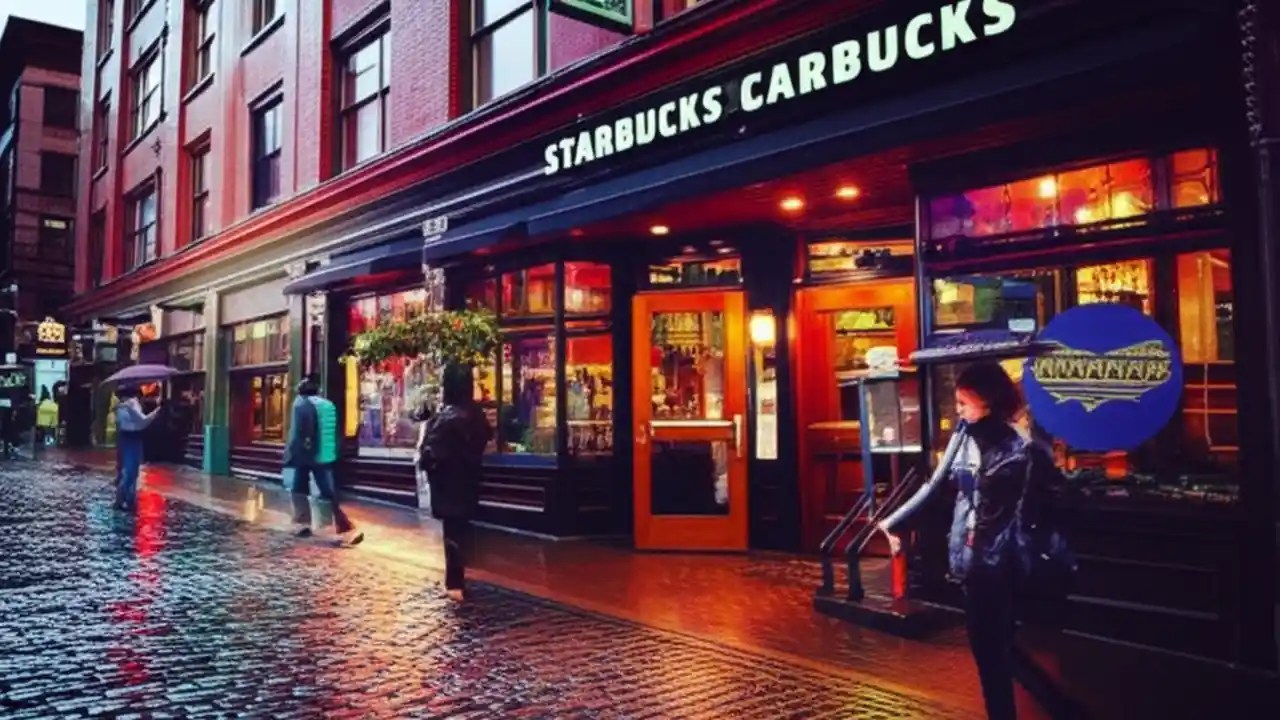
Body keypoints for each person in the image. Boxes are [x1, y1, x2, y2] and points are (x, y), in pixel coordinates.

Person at [878, 361, 1083, 720]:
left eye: (963, 402)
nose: (957, 410)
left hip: (998, 563)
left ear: (987, 401)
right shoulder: (966, 436)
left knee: (992, 653)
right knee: (998, 650)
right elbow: (935, 484)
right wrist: (894, 521)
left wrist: (977, 565)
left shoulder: (1017, 450)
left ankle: (1030, 712)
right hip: (972, 559)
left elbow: (1005, 516)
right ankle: (1062, 709)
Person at [419, 364, 493, 601]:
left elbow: (431, 454)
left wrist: (427, 461)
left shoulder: (444, 418)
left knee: (452, 531)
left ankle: (455, 582)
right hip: (470, 479)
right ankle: (461, 578)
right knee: (463, 527)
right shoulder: (476, 415)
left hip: (448, 483)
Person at [284, 378, 362, 547]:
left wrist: (290, 455)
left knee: (298, 488)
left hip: (305, 454)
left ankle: (302, 523)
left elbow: (298, 433)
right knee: (328, 492)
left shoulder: (300, 404)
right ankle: (344, 526)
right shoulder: (328, 405)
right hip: (326, 455)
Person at [114, 386, 161, 512]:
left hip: (125, 438)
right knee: (131, 472)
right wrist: (156, 411)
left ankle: (128, 499)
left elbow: (120, 426)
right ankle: (123, 499)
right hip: (134, 438)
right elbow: (142, 421)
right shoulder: (131, 404)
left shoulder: (120, 407)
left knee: (128, 470)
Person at [35, 387, 58, 454]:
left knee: (42, 442)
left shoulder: (40, 405)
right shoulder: (54, 405)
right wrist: (54, 424)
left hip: (42, 425)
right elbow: (55, 416)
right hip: (50, 425)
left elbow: (38, 416)